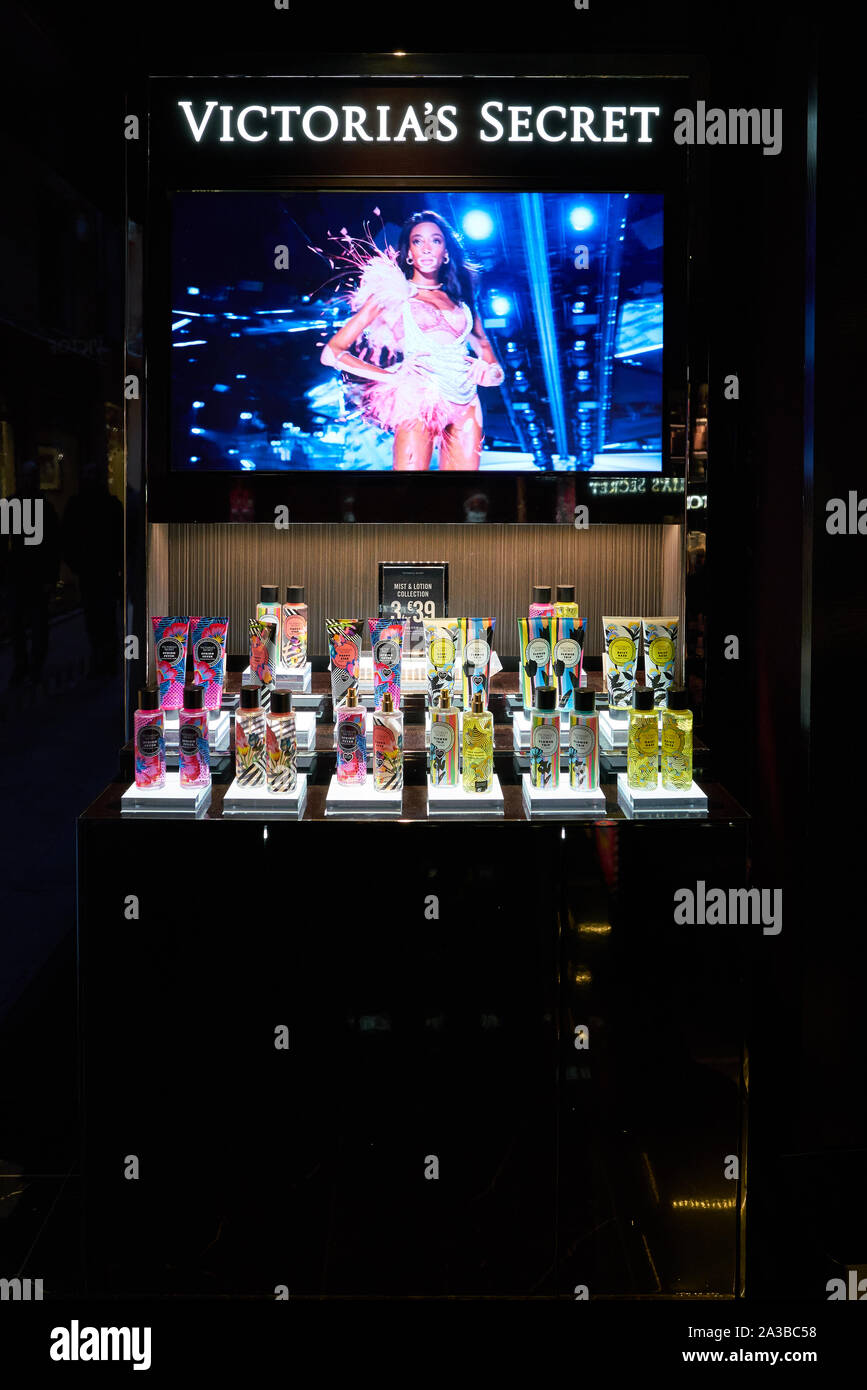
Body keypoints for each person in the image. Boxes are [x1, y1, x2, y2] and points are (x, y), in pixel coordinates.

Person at [321, 211, 504, 471]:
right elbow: (331, 353)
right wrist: (390, 377)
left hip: (467, 402)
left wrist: (490, 373)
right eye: (418, 241)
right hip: (420, 400)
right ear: (409, 253)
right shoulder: (394, 294)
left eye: (436, 241)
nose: (427, 248)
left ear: (446, 253)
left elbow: (491, 362)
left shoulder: (464, 303)